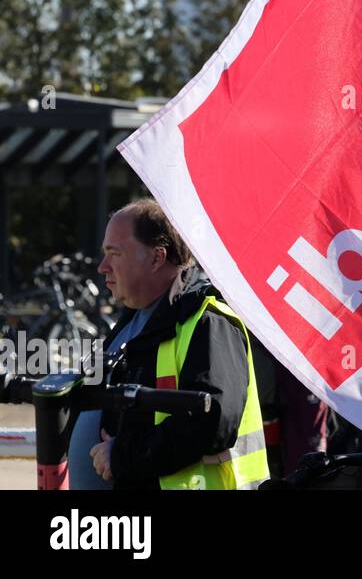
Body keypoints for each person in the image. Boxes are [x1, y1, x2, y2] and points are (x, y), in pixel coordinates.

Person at [70, 198, 268, 490]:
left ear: (156, 257)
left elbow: (213, 421)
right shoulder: (135, 320)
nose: (103, 267)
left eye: (115, 253)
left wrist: (124, 455)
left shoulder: (207, 322)